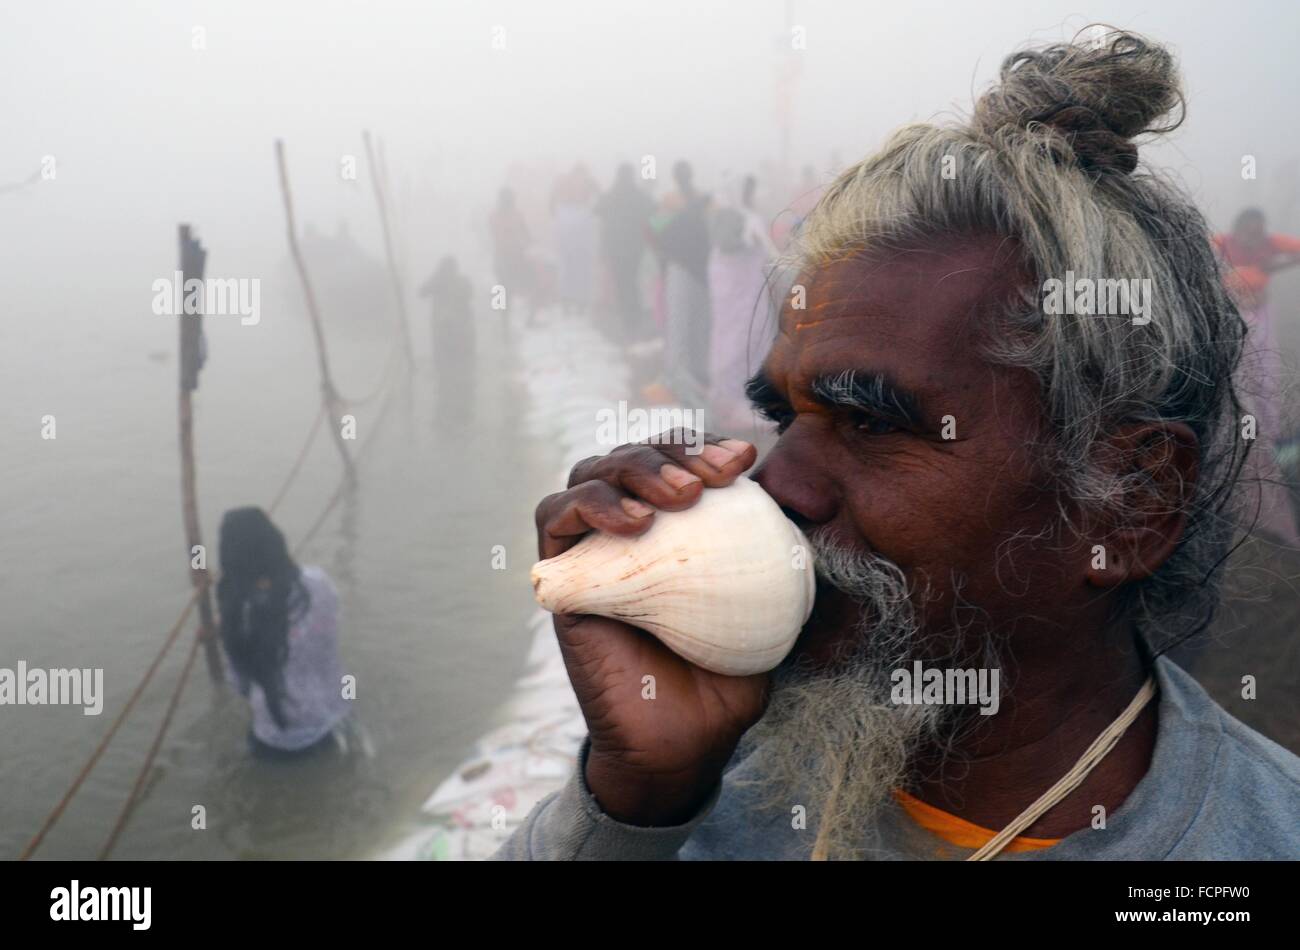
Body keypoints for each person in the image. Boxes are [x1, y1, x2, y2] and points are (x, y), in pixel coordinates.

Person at [494, 30, 1300, 861]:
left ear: (1133, 500)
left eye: (873, 424)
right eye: (782, 418)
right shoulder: (695, 792)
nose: (776, 486)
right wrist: (637, 801)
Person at [217, 507, 351, 758]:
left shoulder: (239, 613)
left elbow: (240, 684)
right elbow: (329, 625)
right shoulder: (319, 582)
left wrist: (224, 629)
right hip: (337, 712)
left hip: (280, 737)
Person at [1214, 208, 1300, 544]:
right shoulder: (1224, 244)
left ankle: (1268, 432)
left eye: (1257, 230)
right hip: (1234, 317)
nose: (1252, 235)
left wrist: (1271, 266)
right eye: (1247, 229)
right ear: (1238, 229)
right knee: (1238, 375)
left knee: (1266, 375)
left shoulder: (1269, 245)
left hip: (1259, 318)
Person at [707, 173, 778, 431]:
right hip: (740, 293)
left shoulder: (732, 216)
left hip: (747, 291)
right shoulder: (737, 218)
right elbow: (763, 250)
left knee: (748, 338)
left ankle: (740, 398)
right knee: (739, 341)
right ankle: (735, 400)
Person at [649, 160, 712, 406]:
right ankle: (694, 375)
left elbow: (657, 234)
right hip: (698, 269)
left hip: (681, 269)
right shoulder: (701, 200)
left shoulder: (669, 201)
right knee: (698, 323)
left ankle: (680, 377)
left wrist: (664, 262)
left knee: (680, 324)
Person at [595, 162, 655, 344]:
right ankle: (635, 318)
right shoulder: (639, 195)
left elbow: (598, 211)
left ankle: (629, 321)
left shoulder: (611, 195)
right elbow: (653, 209)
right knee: (632, 280)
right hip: (635, 246)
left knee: (622, 283)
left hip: (614, 246)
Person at [419, 255, 475, 424]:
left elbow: (421, 292)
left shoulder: (443, 282)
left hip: (448, 331)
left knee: (447, 371)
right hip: (455, 332)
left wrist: (438, 280)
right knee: (456, 370)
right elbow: (421, 292)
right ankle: (457, 402)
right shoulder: (458, 282)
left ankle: (449, 403)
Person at [550, 164, 600, 315]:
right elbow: (600, 197)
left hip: (563, 220)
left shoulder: (562, 181)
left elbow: (551, 202)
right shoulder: (588, 181)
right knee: (583, 266)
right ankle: (581, 302)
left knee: (566, 265)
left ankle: (566, 302)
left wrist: (557, 217)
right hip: (583, 220)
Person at [489, 187, 537, 325]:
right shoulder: (517, 215)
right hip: (517, 256)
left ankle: (502, 320)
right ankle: (530, 317)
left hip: (500, 257)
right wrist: (529, 242)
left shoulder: (493, 216)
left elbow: (493, 234)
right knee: (531, 283)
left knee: (501, 288)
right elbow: (526, 234)